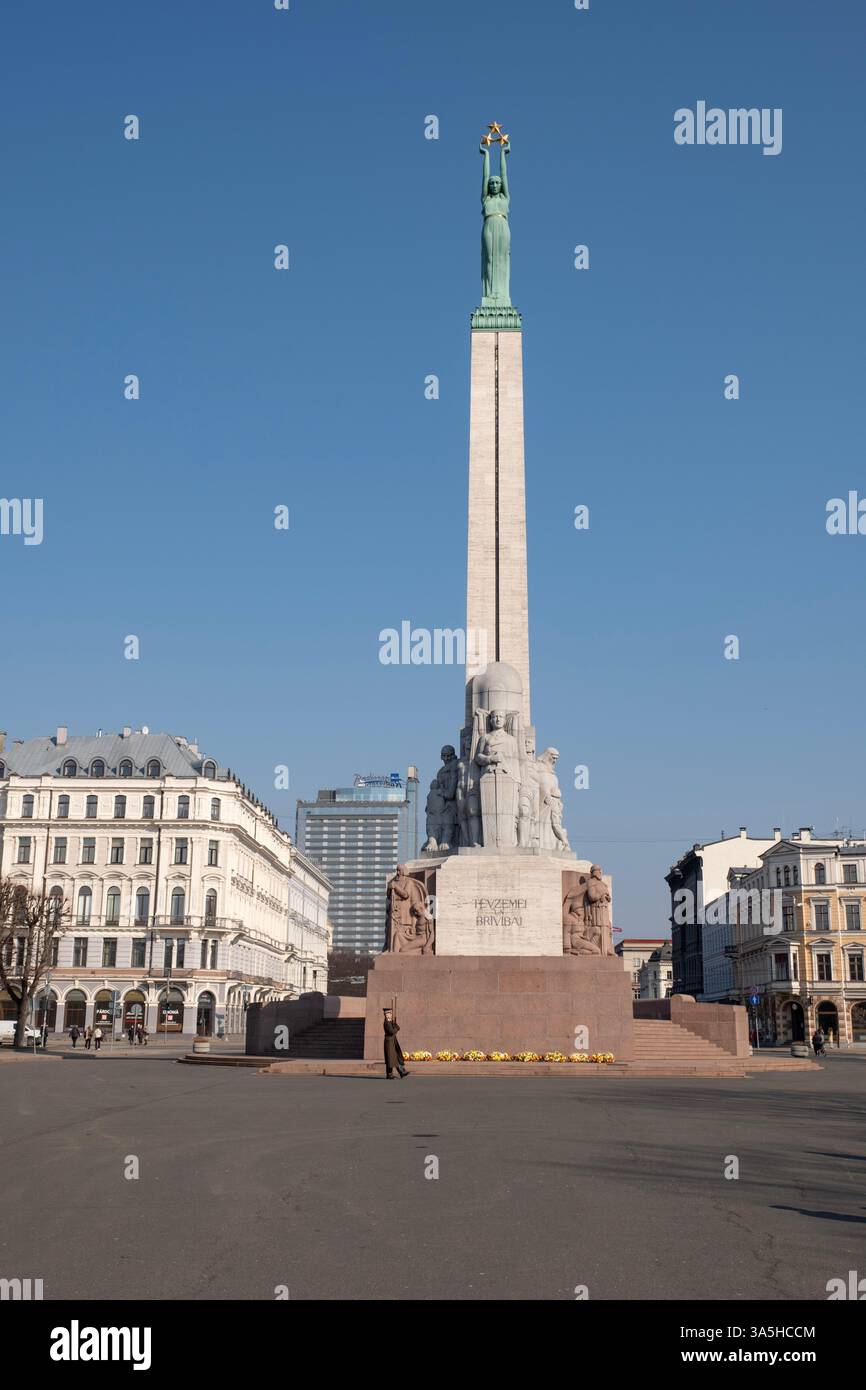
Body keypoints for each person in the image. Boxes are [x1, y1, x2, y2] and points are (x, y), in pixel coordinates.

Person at [383, 1007, 409, 1080]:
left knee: (394, 1057)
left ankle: (398, 1072)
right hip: (389, 1042)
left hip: (392, 1041)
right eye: (389, 1013)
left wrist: (395, 1024)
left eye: (391, 1013)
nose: (390, 1015)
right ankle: (393, 1073)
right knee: (391, 1058)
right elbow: (392, 1031)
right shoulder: (386, 1023)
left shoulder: (390, 1022)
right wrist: (396, 1028)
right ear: (385, 1014)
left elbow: (398, 1027)